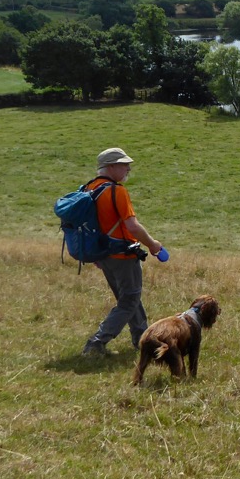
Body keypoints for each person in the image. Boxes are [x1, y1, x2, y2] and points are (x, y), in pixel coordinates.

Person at [81, 146, 167, 356]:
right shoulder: (116, 191)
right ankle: (97, 343)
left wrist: (95, 255)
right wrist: (152, 244)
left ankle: (142, 338)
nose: (128, 169)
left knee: (129, 299)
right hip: (123, 254)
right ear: (110, 167)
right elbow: (133, 226)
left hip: (103, 254)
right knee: (129, 300)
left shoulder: (88, 189)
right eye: (124, 165)